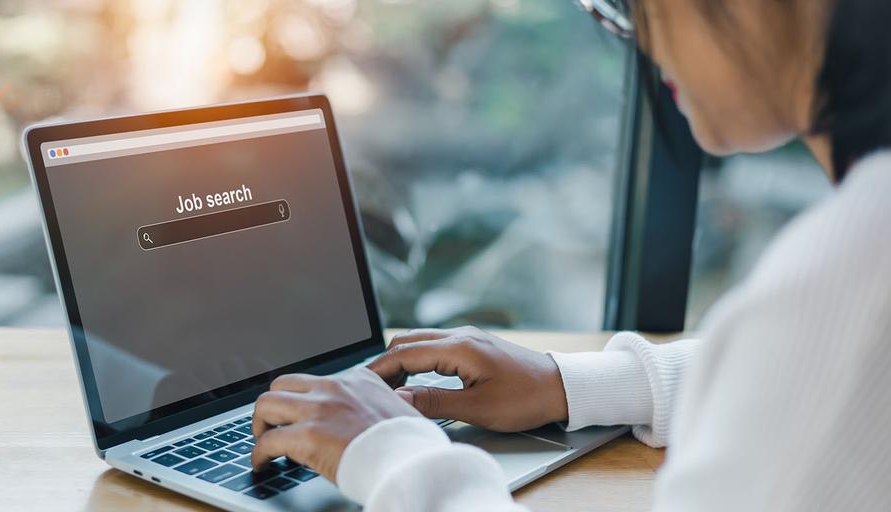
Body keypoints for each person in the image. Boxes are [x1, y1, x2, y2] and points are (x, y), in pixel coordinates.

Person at [248, 0, 891, 509]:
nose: (640, 35)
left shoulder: (851, 276)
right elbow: (811, 381)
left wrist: (393, 457)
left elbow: (835, 360)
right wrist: (574, 384)